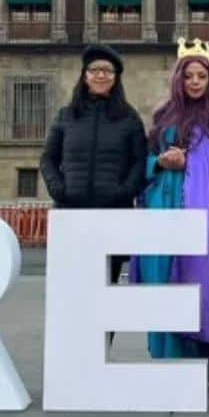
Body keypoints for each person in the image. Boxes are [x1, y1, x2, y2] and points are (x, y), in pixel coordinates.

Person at [131, 37, 209, 367]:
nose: (194, 82)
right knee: (161, 275)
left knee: (196, 275)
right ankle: (164, 355)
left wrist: (190, 163)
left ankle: (197, 358)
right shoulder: (163, 115)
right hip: (162, 203)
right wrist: (160, 163)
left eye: (201, 76)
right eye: (188, 76)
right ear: (178, 78)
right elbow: (144, 162)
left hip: (202, 209)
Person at [39, 43, 148, 285]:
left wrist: (122, 193)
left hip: (114, 214)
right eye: (95, 69)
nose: (101, 75)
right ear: (85, 75)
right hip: (70, 212)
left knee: (106, 284)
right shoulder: (66, 115)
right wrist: (59, 189)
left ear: (116, 77)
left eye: (107, 71)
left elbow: (139, 163)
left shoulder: (129, 119)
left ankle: (107, 325)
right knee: (71, 284)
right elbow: (48, 158)